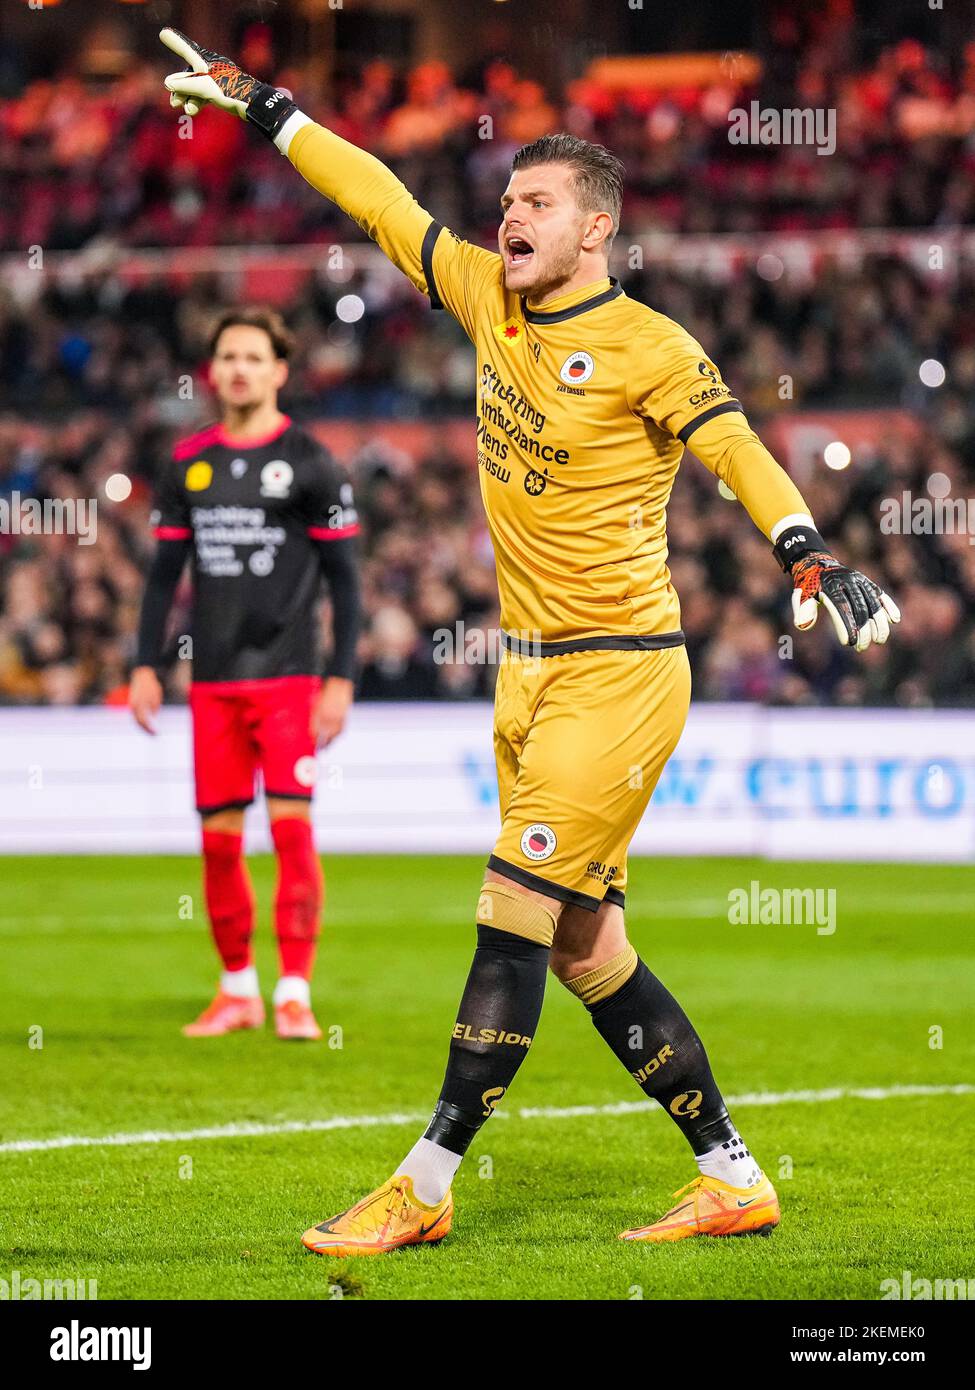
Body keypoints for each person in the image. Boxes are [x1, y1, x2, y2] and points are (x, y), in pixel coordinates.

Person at [160, 31, 899, 1249]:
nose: (509, 214)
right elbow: (383, 199)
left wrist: (803, 546)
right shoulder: (486, 302)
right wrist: (271, 108)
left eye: (537, 202)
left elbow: (734, 449)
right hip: (528, 675)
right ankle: (731, 1173)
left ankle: (426, 1182)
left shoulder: (651, 346)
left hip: (621, 671)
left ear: (593, 228)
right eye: (507, 198)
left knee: (510, 905)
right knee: (585, 948)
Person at [130, 306, 362, 1042]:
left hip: (290, 677)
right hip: (212, 680)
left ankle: (293, 990)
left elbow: (347, 583)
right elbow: (164, 579)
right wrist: (144, 665)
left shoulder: (311, 462)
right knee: (218, 840)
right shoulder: (187, 463)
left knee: (292, 833)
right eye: (227, 356)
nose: (239, 368)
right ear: (213, 370)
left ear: (278, 371)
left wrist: (340, 678)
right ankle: (237, 991)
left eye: (253, 357)